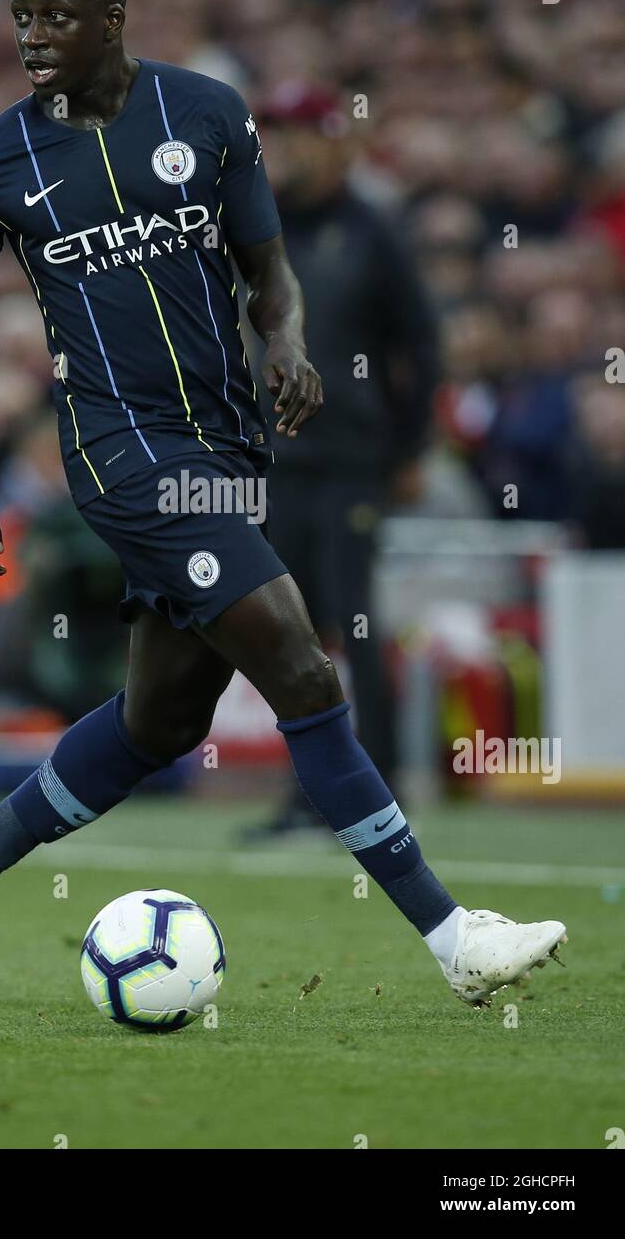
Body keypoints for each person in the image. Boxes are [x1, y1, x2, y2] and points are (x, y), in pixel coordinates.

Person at [0, 0, 566, 1015]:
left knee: (161, 722)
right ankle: (453, 936)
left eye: (52, 16)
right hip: (122, 455)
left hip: (224, 445)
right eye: (19, 17)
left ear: (112, 19)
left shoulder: (205, 114)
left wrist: (288, 343)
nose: (29, 36)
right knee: (302, 668)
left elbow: (268, 268)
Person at [242, 82, 437, 838]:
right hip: (278, 462)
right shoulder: (259, 232)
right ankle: (310, 795)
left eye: (298, 137)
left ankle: (380, 795)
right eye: (275, 138)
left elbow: (418, 343)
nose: (283, 152)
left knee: (354, 623)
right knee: (287, 632)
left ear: (335, 142)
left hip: (352, 461)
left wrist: (411, 444)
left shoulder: (372, 230)